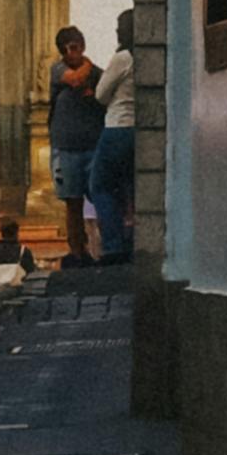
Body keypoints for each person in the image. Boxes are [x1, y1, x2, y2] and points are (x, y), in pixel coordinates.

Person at [43, 27, 107, 265]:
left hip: (93, 145)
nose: (74, 52)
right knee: (73, 202)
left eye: (77, 46)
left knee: (101, 198)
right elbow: (76, 79)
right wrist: (88, 64)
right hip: (66, 147)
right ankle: (77, 251)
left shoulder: (98, 74)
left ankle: (104, 247)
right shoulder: (58, 70)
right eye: (69, 48)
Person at [87, 14, 139, 270]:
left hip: (118, 127)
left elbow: (100, 94)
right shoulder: (145, 57)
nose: (117, 32)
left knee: (100, 186)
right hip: (140, 129)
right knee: (131, 187)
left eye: (120, 28)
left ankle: (114, 244)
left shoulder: (123, 58)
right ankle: (132, 241)